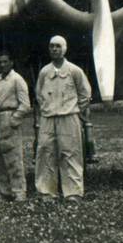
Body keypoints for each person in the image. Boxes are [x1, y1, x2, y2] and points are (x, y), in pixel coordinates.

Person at [34, 35, 92, 201]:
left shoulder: (74, 71)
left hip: (69, 116)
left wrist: (76, 111)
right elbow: (39, 93)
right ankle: (47, 192)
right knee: (45, 152)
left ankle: (73, 192)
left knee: (71, 153)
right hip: (48, 117)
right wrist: (47, 108)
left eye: (58, 46)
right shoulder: (45, 72)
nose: (54, 49)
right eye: (52, 46)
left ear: (65, 49)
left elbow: (85, 93)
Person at [0, 49, 31, 201]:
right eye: (0, 62)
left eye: (5, 61)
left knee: (14, 158)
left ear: (11, 63)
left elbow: (25, 105)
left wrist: (14, 119)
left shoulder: (17, 79)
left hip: (10, 118)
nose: (2, 65)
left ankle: (19, 192)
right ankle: (5, 191)